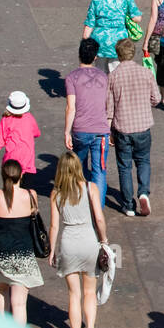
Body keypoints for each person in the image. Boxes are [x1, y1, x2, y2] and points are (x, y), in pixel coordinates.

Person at [48, 150, 108, 328]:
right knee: (90, 291)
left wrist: (51, 251)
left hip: (69, 243)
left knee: (74, 294)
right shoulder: (90, 188)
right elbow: (99, 218)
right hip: (88, 241)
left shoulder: (56, 193)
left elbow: (54, 226)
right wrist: (104, 240)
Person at [0, 159, 43, 325]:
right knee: (19, 304)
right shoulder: (30, 195)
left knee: (1, 296)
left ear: (2, 175)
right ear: (21, 175)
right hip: (22, 255)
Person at [106, 37, 161, 216]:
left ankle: (128, 205)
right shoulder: (145, 73)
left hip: (122, 127)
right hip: (143, 126)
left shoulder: (112, 77)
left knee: (124, 166)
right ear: (133, 53)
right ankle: (143, 192)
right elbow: (157, 99)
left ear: (118, 54)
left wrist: (109, 131)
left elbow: (109, 107)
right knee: (143, 161)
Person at [64, 38, 110, 208]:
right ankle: (97, 208)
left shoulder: (72, 77)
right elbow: (107, 104)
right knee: (99, 171)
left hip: (80, 130)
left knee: (79, 167)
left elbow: (71, 107)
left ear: (79, 55)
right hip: (101, 131)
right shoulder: (103, 77)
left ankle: (80, 203)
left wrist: (67, 132)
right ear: (96, 57)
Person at [83, 0, 142, 72]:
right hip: (119, 44)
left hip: (99, 43)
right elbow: (137, 18)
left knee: (100, 75)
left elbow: (89, 26)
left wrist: (87, 48)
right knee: (117, 75)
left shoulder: (96, 1)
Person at [0, 91, 40, 186]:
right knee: (24, 190)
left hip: (11, 160)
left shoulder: (5, 120)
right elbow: (36, 133)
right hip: (27, 159)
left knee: (10, 187)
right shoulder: (30, 118)